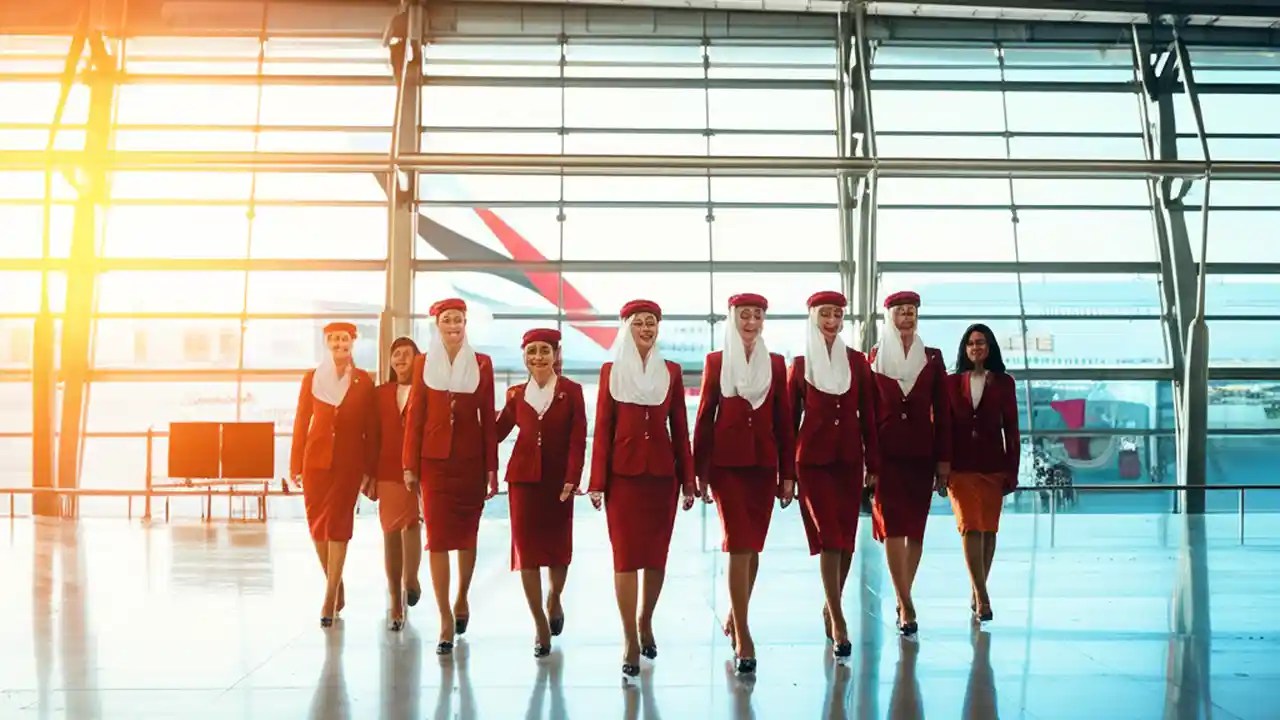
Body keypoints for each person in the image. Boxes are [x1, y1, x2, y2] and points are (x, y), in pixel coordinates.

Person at [587, 299, 697, 680]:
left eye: (651, 323)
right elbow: (602, 429)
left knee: (655, 557)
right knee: (625, 557)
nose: (646, 329)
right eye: (639, 323)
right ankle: (629, 638)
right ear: (626, 328)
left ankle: (645, 619)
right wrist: (596, 482)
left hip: (661, 479)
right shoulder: (610, 372)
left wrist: (688, 480)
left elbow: (680, 429)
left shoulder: (671, 371)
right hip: (623, 479)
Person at [693, 293, 795, 675]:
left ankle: (737, 614)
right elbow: (704, 420)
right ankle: (744, 634)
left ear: (763, 320)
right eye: (744, 315)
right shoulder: (716, 362)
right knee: (738, 543)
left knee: (753, 547)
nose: (750, 321)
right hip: (727, 467)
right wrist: (699, 473)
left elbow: (785, 424)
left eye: (757, 315)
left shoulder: (776, 363)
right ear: (732, 318)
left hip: (763, 466)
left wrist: (788, 474)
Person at [402, 298, 499, 655]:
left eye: (458, 319)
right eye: (447, 320)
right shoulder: (424, 363)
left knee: (467, 535)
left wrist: (492, 468)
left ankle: (462, 598)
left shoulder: (482, 364)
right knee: (438, 539)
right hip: (434, 464)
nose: (453, 325)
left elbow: (488, 418)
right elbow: (415, 416)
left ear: (465, 324)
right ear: (437, 325)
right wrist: (409, 465)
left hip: (471, 463)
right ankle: (444, 616)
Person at [787, 290, 880, 658]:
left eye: (838, 314)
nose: (832, 320)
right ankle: (839, 619)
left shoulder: (857, 363)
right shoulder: (800, 364)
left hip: (848, 461)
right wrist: (786, 473)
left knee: (845, 540)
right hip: (811, 462)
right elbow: (789, 422)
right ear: (813, 316)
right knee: (829, 536)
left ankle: (831, 605)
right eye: (825, 313)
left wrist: (873, 463)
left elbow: (869, 417)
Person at [496, 328, 587, 658]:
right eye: (532, 350)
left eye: (544, 350)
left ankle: (554, 596)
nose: (538, 356)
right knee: (528, 552)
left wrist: (573, 477)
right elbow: (495, 432)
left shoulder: (572, 391)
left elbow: (579, 438)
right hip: (523, 480)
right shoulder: (516, 394)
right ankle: (538, 624)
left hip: (558, 482)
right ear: (524, 355)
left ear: (555, 355)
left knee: (558, 549)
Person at [867, 290, 951, 637]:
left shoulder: (932, 358)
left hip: (921, 453)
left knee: (915, 527)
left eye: (912, 311)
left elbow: (944, 413)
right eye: (901, 311)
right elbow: (868, 415)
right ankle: (906, 602)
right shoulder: (873, 358)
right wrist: (868, 460)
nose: (907, 316)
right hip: (886, 455)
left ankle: (903, 598)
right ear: (890, 316)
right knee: (892, 527)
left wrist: (944, 461)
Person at [289, 321, 377, 628]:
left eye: (345, 338)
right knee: (317, 526)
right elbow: (301, 421)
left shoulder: (364, 381)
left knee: (339, 524)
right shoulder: (312, 379)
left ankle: (328, 598)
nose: (340, 343)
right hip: (315, 460)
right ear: (327, 343)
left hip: (349, 463)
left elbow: (371, 429)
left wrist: (370, 469)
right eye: (334, 338)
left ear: (353, 342)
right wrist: (295, 464)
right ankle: (336, 583)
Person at [945, 323, 1019, 623]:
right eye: (972, 343)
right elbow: (943, 429)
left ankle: (978, 591)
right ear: (965, 348)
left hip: (993, 466)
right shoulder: (951, 383)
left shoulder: (1004, 383)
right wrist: (942, 466)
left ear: (990, 349)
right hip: (960, 467)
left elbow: (1012, 430)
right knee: (970, 526)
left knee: (988, 529)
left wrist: (1012, 471)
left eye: (982, 343)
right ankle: (983, 595)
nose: (977, 348)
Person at [369, 336, 424, 632]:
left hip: (418, 469)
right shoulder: (380, 394)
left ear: (418, 359)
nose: (401, 359)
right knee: (391, 531)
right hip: (387, 469)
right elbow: (371, 435)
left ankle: (411, 579)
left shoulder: (427, 391)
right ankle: (395, 600)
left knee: (412, 524)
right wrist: (369, 472)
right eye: (396, 354)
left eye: (407, 354)